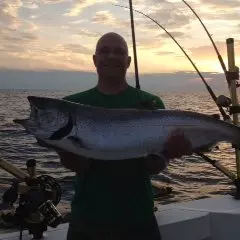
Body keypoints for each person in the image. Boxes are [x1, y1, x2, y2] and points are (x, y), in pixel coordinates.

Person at [57, 32, 192, 240]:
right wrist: (61, 145)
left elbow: (152, 168)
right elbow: (80, 166)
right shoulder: (70, 106)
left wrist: (169, 153)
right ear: (94, 59)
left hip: (139, 219)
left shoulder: (151, 104)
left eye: (119, 52)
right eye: (104, 51)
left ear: (128, 61)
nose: (111, 56)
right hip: (87, 219)